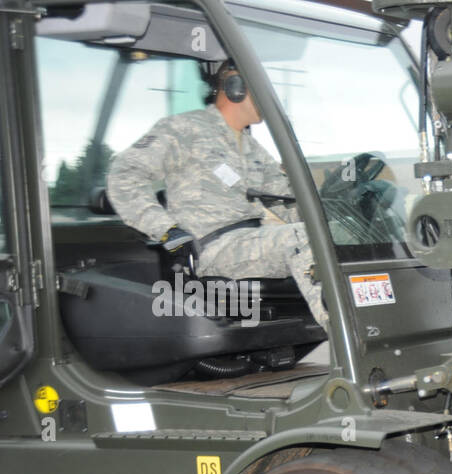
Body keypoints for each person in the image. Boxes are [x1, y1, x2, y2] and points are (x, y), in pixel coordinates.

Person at [107, 60, 328, 330]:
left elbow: (289, 202)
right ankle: (345, 335)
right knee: (305, 237)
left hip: (251, 241)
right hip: (212, 247)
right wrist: (167, 230)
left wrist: (337, 211)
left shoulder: (252, 148)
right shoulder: (184, 129)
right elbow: (124, 174)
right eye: (263, 88)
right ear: (235, 86)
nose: (272, 99)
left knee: (328, 236)